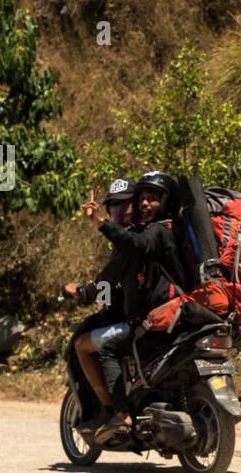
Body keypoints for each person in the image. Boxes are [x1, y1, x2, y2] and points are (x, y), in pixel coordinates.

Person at [80, 171, 190, 443]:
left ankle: (119, 412)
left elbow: (133, 248)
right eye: (140, 199)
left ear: (166, 202)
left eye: (151, 199)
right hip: (173, 315)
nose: (142, 205)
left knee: (105, 347)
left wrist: (100, 223)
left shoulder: (157, 232)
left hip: (154, 320)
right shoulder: (170, 230)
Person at [67, 177, 134, 434]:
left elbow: (105, 283)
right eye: (114, 206)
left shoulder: (134, 239)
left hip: (135, 319)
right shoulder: (145, 234)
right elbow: (114, 281)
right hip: (141, 312)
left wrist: (82, 292)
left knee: (83, 344)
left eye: (125, 205)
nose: (119, 211)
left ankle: (112, 410)